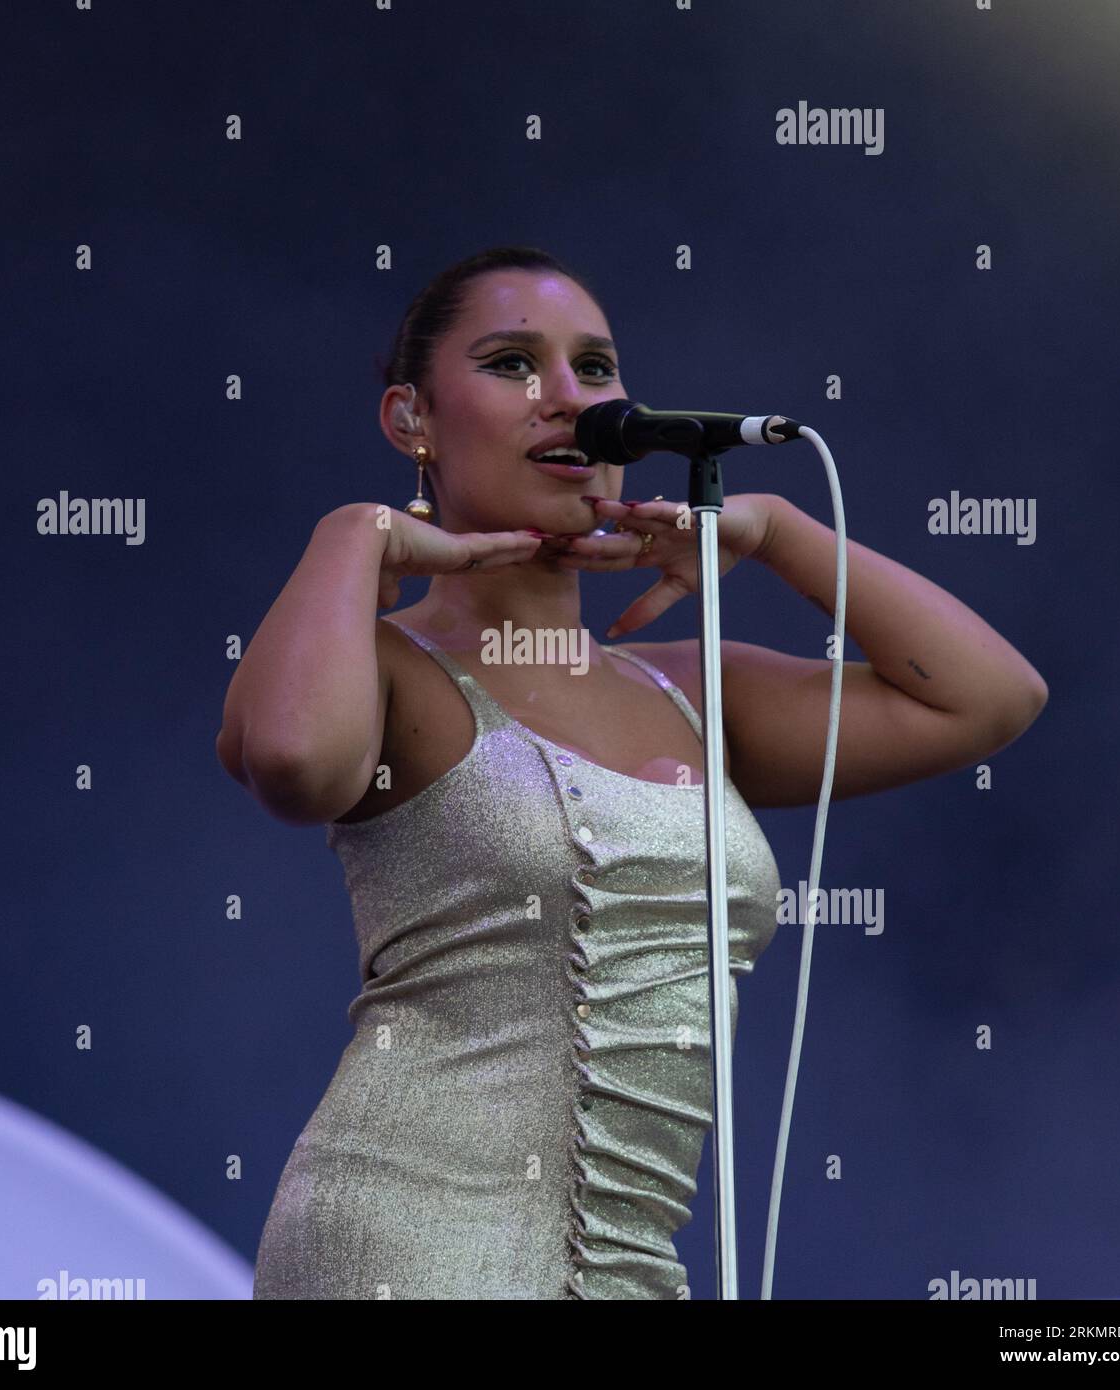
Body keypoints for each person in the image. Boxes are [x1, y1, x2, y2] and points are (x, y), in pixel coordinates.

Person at [216, 245, 1048, 1299]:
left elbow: (989, 697)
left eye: (595, 368)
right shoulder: (388, 666)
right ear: (411, 420)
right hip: (411, 1240)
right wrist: (353, 536)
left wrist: (780, 533)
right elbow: (291, 761)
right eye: (514, 364)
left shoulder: (693, 691)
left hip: (630, 1262)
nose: (567, 397)